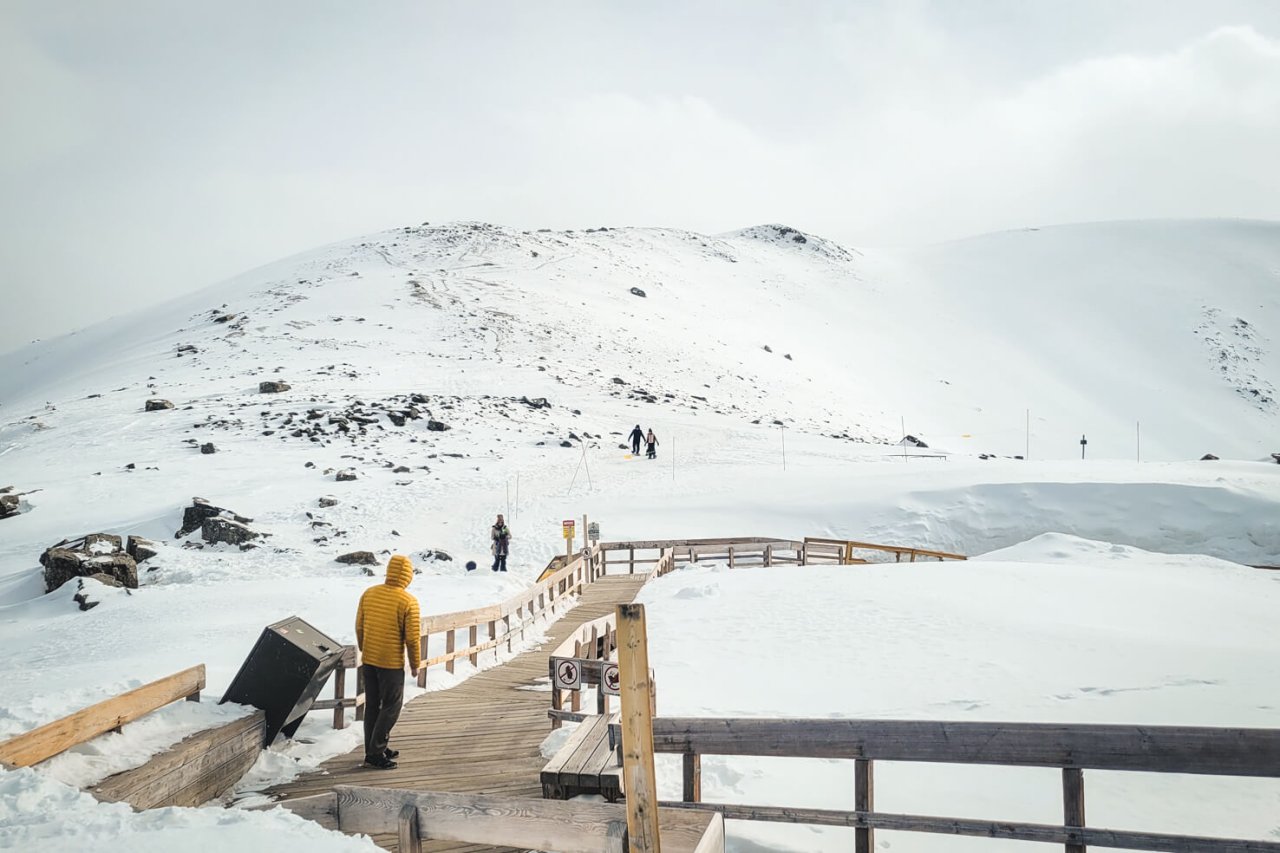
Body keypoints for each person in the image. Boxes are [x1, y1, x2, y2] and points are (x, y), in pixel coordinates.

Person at [354, 554, 421, 769]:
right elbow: (412, 638)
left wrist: (366, 649)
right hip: (390, 663)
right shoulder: (408, 601)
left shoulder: (369, 593)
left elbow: (359, 626)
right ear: (407, 576)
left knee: (373, 705)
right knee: (392, 706)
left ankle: (375, 747)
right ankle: (376, 752)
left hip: (370, 660)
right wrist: (415, 663)